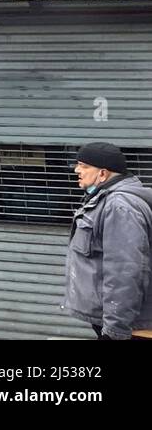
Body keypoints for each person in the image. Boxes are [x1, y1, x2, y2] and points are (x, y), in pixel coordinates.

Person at [63, 142, 152, 340]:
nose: (77, 170)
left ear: (103, 174)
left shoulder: (119, 206)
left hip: (132, 328)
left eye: (84, 166)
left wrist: (114, 331)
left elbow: (125, 271)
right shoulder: (107, 200)